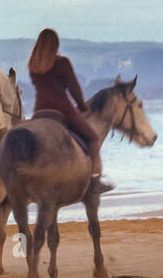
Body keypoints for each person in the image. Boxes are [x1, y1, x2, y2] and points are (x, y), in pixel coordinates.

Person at [28, 28, 114, 193]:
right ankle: (94, 181)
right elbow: (74, 90)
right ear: (56, 45)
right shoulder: (63, 63)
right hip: (62, 111)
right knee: (93, 138)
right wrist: (82, 107)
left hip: (39, 112)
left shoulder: (33, 66)